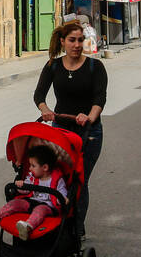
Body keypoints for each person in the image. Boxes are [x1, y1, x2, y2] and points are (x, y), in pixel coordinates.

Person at [32, 19, 106, 239]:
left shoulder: (95, 67)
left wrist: (89, 117)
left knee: (79, 181)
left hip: (89, 133)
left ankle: (77, 228)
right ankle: (58, 222)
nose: (76, 44)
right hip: (60, 131)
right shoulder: (52, 66)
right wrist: (45, 110)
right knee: (59, 178)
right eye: (72, 40)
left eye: (80, 40)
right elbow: (39, 95)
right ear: (63, 41)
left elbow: (100, 98)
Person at [0, 144, 68, 241]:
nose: (30, 168)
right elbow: (26, 190)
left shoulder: (57, 179)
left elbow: (62, 194)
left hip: (48, 206)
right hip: (32, 201)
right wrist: (20, 185)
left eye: (33, 166)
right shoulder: (32, 176)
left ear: (45, 167)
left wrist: (62, 199)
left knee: (40, 209)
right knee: (14, 203)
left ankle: (28, 227)